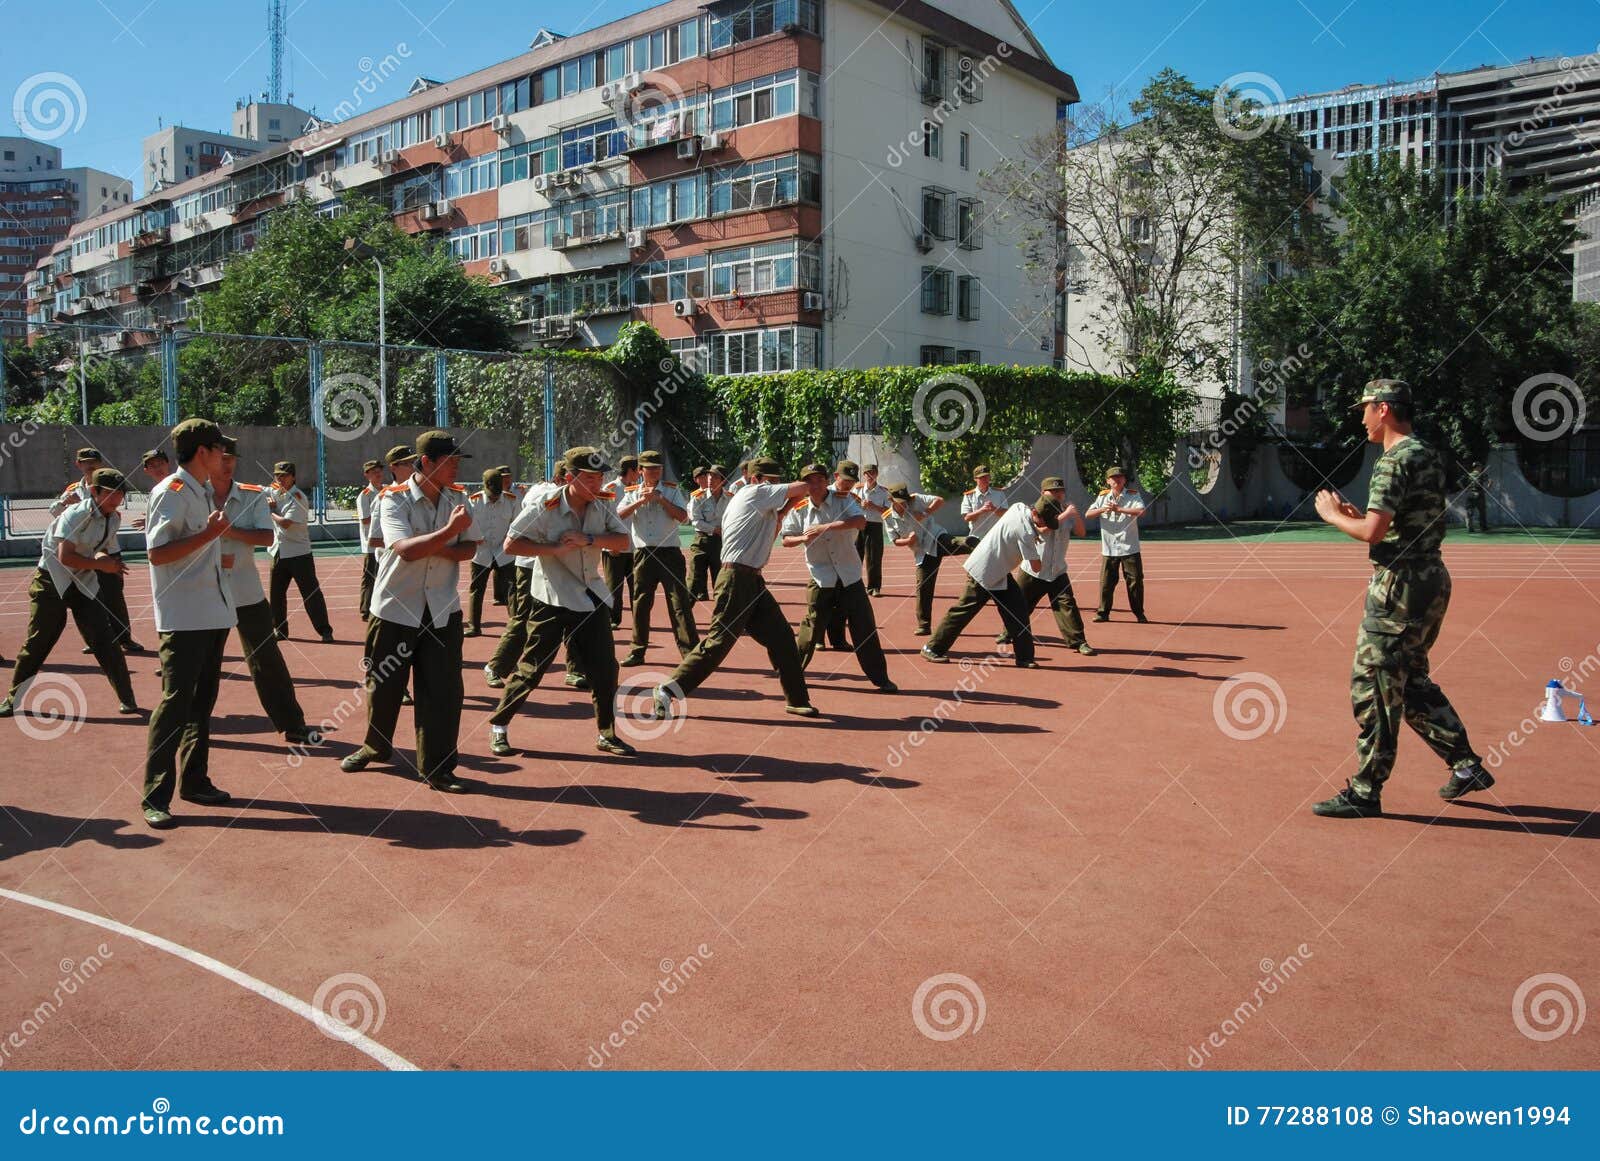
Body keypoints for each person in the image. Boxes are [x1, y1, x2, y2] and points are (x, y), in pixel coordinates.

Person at [1310, 380, 1492, 818]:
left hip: (1399, 587)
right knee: (1409, 682)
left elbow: (1373, 533)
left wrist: (1333, 517)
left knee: (1374, 684)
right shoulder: (1426, 453)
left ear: (1384, 409)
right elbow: (1399, 524)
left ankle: (1365, 791)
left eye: (1366, 408)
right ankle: (1465, 765)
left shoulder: (1393, 461)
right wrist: (1359, 518)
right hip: (1430, 579)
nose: (1362, 418)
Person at [341, 431, 480, 793]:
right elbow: (404, 549)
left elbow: (470, 549)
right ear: (427, 462)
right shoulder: (393, 499)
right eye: (449, 461)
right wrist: (448, 533)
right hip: (394, 609)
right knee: (383, 687)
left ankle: (438, 767)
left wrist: (440, 546)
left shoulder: (460, 498)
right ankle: (375, 746)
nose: (456, 467)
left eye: (458, 461)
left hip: (442, 610)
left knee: (443, 692)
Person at [487, 446, 637, 759]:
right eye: (590, 478)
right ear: (570, 478)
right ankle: (499, 724)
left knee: (605, 669)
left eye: (600, 477)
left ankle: (606, 733)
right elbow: (511, 544)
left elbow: (623, 541)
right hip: (551, 597)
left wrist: (590, 540)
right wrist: (552, 549)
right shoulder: (546, 505)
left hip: (590, 595)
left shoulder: (603, 503)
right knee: (532, 668)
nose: (597, 483)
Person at [652, 457, 816, 720]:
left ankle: (797, 699)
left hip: (752, 580)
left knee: (783, 638)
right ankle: (667, 689)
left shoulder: (761, 505)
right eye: (770, 481)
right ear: (755, 479)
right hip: (736, 579)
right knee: (718, 643)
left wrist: (783, 511)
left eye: (777, 481)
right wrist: (809, 485)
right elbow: (802, 489)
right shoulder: (754, 493)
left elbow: (778, 521)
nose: (774, 485)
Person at [141, 419, 238, 829]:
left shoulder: (199, 489)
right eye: (219, 449)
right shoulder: (172, 491)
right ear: (202, 452)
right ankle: (155, 795)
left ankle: (195, 781)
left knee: (201, 704)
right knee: (175, 704)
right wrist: (209, 536)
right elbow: (157, 553)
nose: (224, 456)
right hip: (184, 619)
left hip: (211, 613)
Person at [0, 469, 140, 718]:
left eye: (120, 494)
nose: (116, 499)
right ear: (94, 491)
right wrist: (101, 565)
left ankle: (128, 699)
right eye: (110, 493)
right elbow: (65, 557)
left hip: (84, 580)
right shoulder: (76, 514)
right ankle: (12, 699)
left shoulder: (113, 519)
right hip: (52, 580)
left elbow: (99, 549)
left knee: (104, 639)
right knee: (39, 641)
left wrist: (108, 561)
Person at [211, 438, 319, 746]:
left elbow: (266, 536)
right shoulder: (192, 495)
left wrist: (229, 531)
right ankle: (192, 724)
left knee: (267, 660)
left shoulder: (251, 494)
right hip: (206, 592)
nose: (227, 463)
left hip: (246, 589)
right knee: (203, 663)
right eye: (222, 457)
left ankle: (292, 723)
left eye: (232, 458)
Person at [781, 463, 895, 692]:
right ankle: (791, 673)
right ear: (803, 484)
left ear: (827, 481)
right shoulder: (799, 508)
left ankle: (881, 678)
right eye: (809, 481)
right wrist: (802, 539)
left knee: (864, 627)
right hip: (820, 576)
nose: (815, 485)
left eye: (819, 480)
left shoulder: (844, 500)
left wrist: (825, 527)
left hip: (849, 575)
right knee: (811, 629)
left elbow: (860, 522)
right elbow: (786, 538)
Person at [921, 500, 1051, 668]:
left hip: (999, 571)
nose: (1047, 525)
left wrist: (1037, 532)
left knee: (1017, 610)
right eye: (1046, 521)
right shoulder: (1026, 532)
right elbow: (1036, 566)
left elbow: (1023, 522)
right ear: (1034, 513)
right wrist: (1043, 545)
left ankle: (1025, 658)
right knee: (963, 610)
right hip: (983, 571)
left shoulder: (1019, 506)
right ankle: (932, 647)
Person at [54, 448, 145, 656]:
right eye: (85, 462)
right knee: (85, 598)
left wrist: (106, 560)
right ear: (78, 464)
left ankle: (124, 638)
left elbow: (110, 520)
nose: (90, 465)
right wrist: (65, 504)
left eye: (94, 461)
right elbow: (55, 513)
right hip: (80, 551)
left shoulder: (110, 482)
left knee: (113, 596)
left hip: (106, 549)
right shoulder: (73, 490)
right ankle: (94, 640)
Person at [618, 450, 698, 666]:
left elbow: (683, 517)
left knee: (679, 602)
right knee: (641, 603)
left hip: (669, 552)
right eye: (650, 468)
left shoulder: (671, 491)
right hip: (643, 553)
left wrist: (661, 500)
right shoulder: (632, 492)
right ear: (640, 471)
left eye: (658, 468)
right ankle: (637, 651)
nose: (655, 472)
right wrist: (640, 501)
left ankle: (690, 652)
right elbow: (619, 515)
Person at [1004, 477, 1097, 657]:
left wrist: (1075, 514)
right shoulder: (1036, 509)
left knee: (1067, 606)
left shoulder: (1066, 510)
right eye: (1053, 491)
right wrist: (1065, 515)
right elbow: (1042, 529)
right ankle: (1008, 632)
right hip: (1034, 569)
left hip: (1057, 570)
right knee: (1020, 604)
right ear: (1043, 493)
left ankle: (1079, 641)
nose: (1058, 494)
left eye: (1060, 491)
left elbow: (1081, 532)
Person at [362, 446, 418, 705]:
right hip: (393, 574)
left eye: (413, 462)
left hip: (416, 576)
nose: (412, 467)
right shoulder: (386, 498)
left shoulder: (420, 494)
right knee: (390, 636)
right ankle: (393, 686)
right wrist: (402, 539)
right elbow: (374, 539)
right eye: (406, 463)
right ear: (394, 468)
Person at [266, 461, 334, 642]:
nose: (280, 479)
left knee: (311, 594)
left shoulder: (298, 497)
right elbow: (259, 491)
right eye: (277, 475)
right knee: (276, 594)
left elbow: (286, 523)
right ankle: (279, 629)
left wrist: (271, 510)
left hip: (299, 553)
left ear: (293, 477)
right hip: (278, 551)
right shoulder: (274, 492)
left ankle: (325, 630)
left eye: (284, 475)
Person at [882, 484, 960, 636]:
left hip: (936, 537)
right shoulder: (888, 517)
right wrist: (908, 541)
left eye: (905, 500)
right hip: (922, 552)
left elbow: (940, 500)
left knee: (957, 543)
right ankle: (924, 625)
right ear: (891, 500)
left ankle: (978, 545)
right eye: (900, 502)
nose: (904, 504)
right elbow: (895, 541)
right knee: (923, 586)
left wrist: (925, 513)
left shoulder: (916, 499)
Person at [1087, 466, 1148, 623]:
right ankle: (1103, 613)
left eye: (1120, 477)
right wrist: (1103, 509)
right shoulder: (1102, 497)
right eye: (1113, 478)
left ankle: (1139, 613)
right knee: (1106, 582)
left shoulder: (1133, 495)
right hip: (1109, 548)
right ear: (1108, 481)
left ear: (1124, 480)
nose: (1117, 480)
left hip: (1129, 547)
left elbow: (1142, 512)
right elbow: (1088, 514)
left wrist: (1119, 509)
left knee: (1135, 581)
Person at [465, 465, 517, 637]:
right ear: (485, 487)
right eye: (491, 495)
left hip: (504, 551)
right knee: (476, 589)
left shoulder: (511, 500)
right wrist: (475, 536)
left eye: (497, 494)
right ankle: (474, 626)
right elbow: (467, 522)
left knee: (512, 589)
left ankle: (515, 626)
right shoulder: (473, 501)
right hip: (481, 552)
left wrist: (509, 539)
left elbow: (516, 523)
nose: (494, 497)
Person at [602, 454, 641, 627]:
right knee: (614, 587)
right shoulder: (610, 489)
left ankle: (638, 620)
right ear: (631, 471)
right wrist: (609, 544)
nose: (640, 474)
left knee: (636, 586)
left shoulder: (637, 489)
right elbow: (602, 518)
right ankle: (613, 620)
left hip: (633, 546)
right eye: (638, 470)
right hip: (614, 547)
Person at [686, 464, 730, 601]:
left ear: (723, 480)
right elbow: (695, 521)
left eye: (715, 476)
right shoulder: (698, 497)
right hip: (702, 541)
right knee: (694, 579)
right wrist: (715, 529)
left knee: (721, 580)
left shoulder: (730, 498)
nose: (710, 479)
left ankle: (722, 611)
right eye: (709, 475)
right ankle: (685, 612)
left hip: (721, 543)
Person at [853, 462, 890, 596]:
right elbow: (848, 506)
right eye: (867, 473)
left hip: (875, 525)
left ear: (877, 474)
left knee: (874, 557)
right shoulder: (856, 490)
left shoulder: (884, 492)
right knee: (855, 556)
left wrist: (873, 506)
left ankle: (874, 587)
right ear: (863, 475)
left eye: (872, 473)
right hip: (858, 525)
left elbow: (888, 511)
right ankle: (854, 586)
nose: (870, 476)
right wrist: (860, 505)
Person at [355, 458, 385, 622]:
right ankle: (366, 610)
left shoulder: (387, 490)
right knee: (369, 578)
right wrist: (383, 515)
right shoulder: (365, 495)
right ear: (367, 475)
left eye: (379, 471)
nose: (378, 474)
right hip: (372, 544)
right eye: (374, 472)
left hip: (386, 542)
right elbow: (365, 520)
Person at [958, 464, 1006, 550]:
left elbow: (1005, 514)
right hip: (976, 539)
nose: (985, 479)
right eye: (982, 477)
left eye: (987, 476)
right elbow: (967, 517)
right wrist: (981, 510)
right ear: (975, 479)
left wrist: (994, 509)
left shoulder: (999, 493)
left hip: (996, 537)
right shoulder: (969, 496)